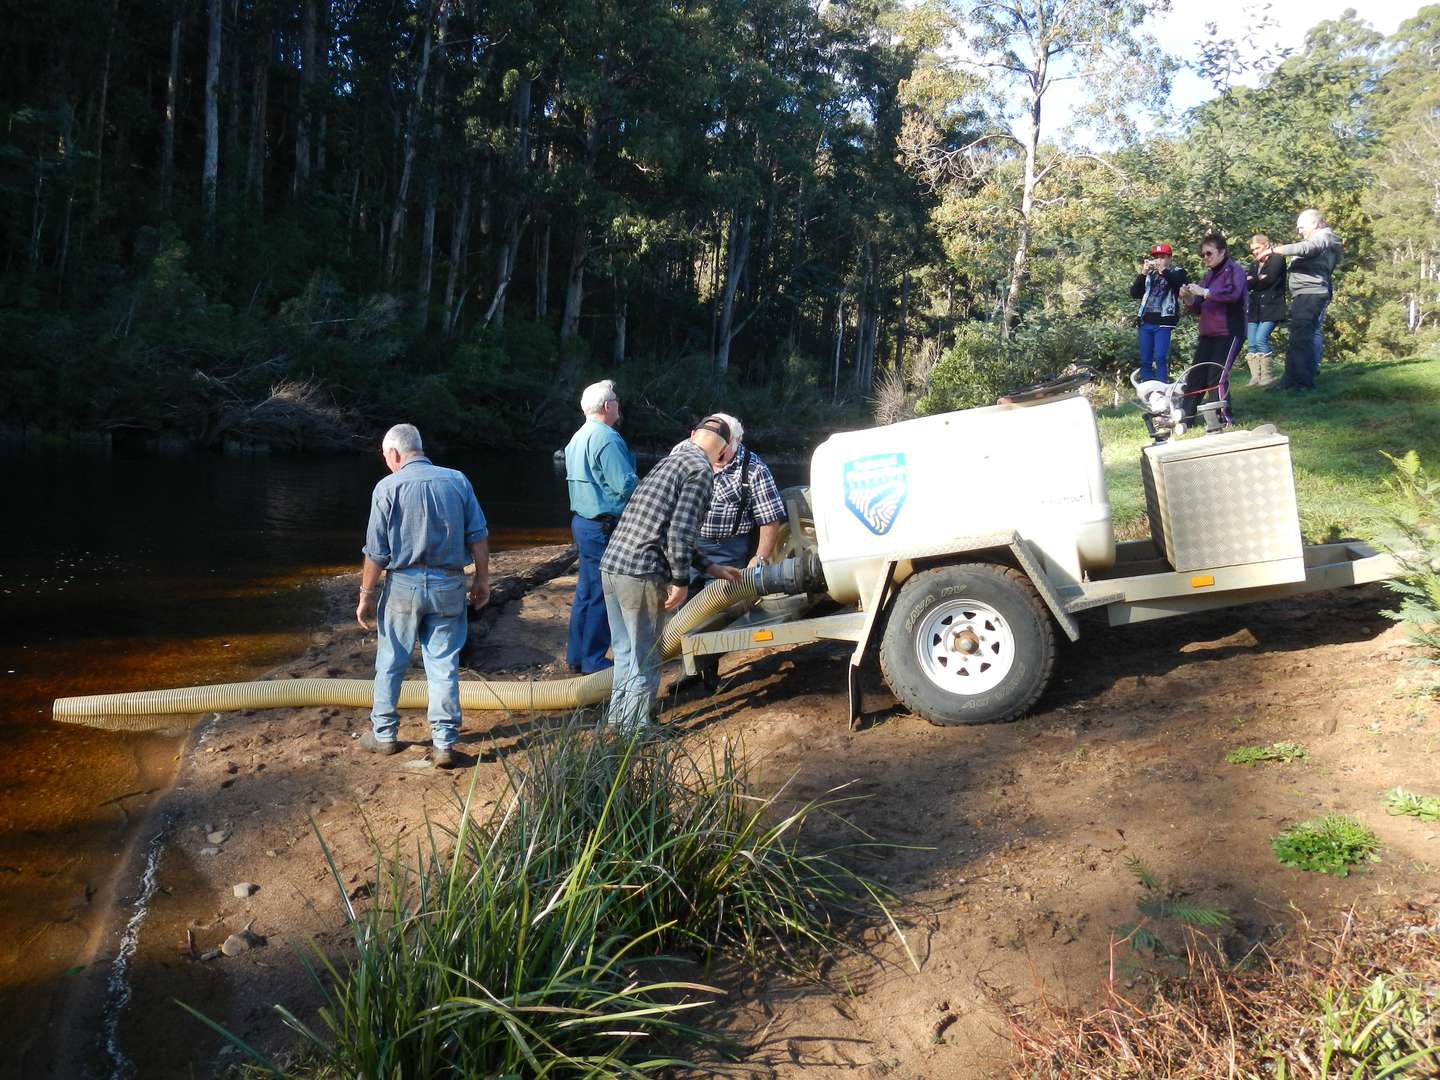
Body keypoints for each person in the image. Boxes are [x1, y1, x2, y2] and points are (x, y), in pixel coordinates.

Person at [355, 423, 490, 769]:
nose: (387, 462)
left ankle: (384, 735)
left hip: (403, 584)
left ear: (395, 454)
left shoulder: (387, 487)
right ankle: (444, 742)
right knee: (443, 664)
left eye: (386, 456)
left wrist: (366, 594)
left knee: (392, 659)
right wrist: (482, 581)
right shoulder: (458, 480)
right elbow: (478, 536)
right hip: (449, 583)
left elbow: (376, 553)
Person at [599, 417, 743, 730]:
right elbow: (679, 533)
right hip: (642, 572)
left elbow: (665, 528)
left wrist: (711, 567)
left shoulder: (671, 461)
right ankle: (637, 733)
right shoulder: (701, 472)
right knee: (647, 658)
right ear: (724, 450)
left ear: (694, 436)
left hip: (612, 566)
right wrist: (680, 581)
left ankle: (618, 723)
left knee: (625, 653)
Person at [563, 379, 638, 675]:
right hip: (602, 526)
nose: (619, 405)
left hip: (582, 523)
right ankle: (594, 661)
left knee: (586, 590)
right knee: (603, 594)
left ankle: (576, 656)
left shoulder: (577, 436)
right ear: (607, 406)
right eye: (616, 400)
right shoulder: (607, 438)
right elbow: (625, 486)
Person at [1178, 233, 1247, 426]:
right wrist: (1188, 297)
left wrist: (1205, 292)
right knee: (1196, 376)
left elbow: (1232, 295)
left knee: (1217, 376)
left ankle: (1224, 419)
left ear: (1222, 251)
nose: (1206, 258)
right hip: (1207, 333)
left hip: (1228, 332)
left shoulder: (1235, 270)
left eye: (1209, 253)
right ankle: (1186, 418)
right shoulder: (1208, 276)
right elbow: (1197, 307)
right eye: (1202, 255)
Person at [1272, 209, 1342, 392]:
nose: (1299, 231)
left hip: (1311, 294)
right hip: (1304, 294)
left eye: (1301, 227)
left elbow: (1307, 248)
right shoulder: (1319, 239)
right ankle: (1289, 381)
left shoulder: (1324, 237)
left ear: (1315, 223)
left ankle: (1303, 384)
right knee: (1297, 338)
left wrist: (1277, 250)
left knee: (1302, 339)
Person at [1129, 243, 1189, 385]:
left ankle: (1163, 389)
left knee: (1160, 357)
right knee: (1145, 360)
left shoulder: (1178, 271)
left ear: (1170, 258)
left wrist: (1165, 272)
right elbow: (1135, 293)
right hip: (1146, 321)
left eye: (1162, 257)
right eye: (1156, 258)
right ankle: (1150, 392)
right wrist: (1143, 273)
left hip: (1164, 321)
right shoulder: (1150, 274)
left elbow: (1180, 286)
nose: (1158, 261)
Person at [1244, 234, 1287, 387]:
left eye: (1257, 248)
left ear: (1266, 245)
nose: (1255, 252)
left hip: (1272, 306)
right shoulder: (1254, 264)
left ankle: (1267, 376)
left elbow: (1270, 279)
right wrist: (1258, 279)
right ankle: (1255, 377)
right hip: (1255, 308)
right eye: (1253, 250)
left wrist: (1255, 280)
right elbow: (1247, 285)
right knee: (1251, 343)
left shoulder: (1277, 259)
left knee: (1261, 339)